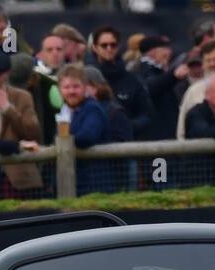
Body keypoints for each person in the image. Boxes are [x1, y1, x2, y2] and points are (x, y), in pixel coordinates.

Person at [86, 27, 153, 140]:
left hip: (125, 144)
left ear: (118, 47)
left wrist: (126, 125)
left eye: (113, 45)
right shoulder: (86, 77)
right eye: (104, 45)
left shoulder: (132, 80)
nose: (109, 48)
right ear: (95, 48)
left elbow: (146, 115)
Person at [58, 63, 109, 194]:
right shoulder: (65, 110)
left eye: (76, 86)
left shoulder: (92, 108)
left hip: (93, 184)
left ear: (85, 87)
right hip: (72, 183)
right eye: (66, 87)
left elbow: (87, 137)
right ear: (60, 89)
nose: (71, 91)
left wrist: (63, 142)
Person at [133, 35, 179, 142]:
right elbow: (151, 88)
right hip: (155, 138)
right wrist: (173, 76)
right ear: (152, 52)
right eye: (164, 49)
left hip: (167, 136)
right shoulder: (142, 70)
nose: (169, 52)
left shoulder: (161, 71)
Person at [84, 66, 133, 143]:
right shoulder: (78, 111)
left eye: (84, 85)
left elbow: (123, 144)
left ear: (95, 87)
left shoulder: (115, 113)